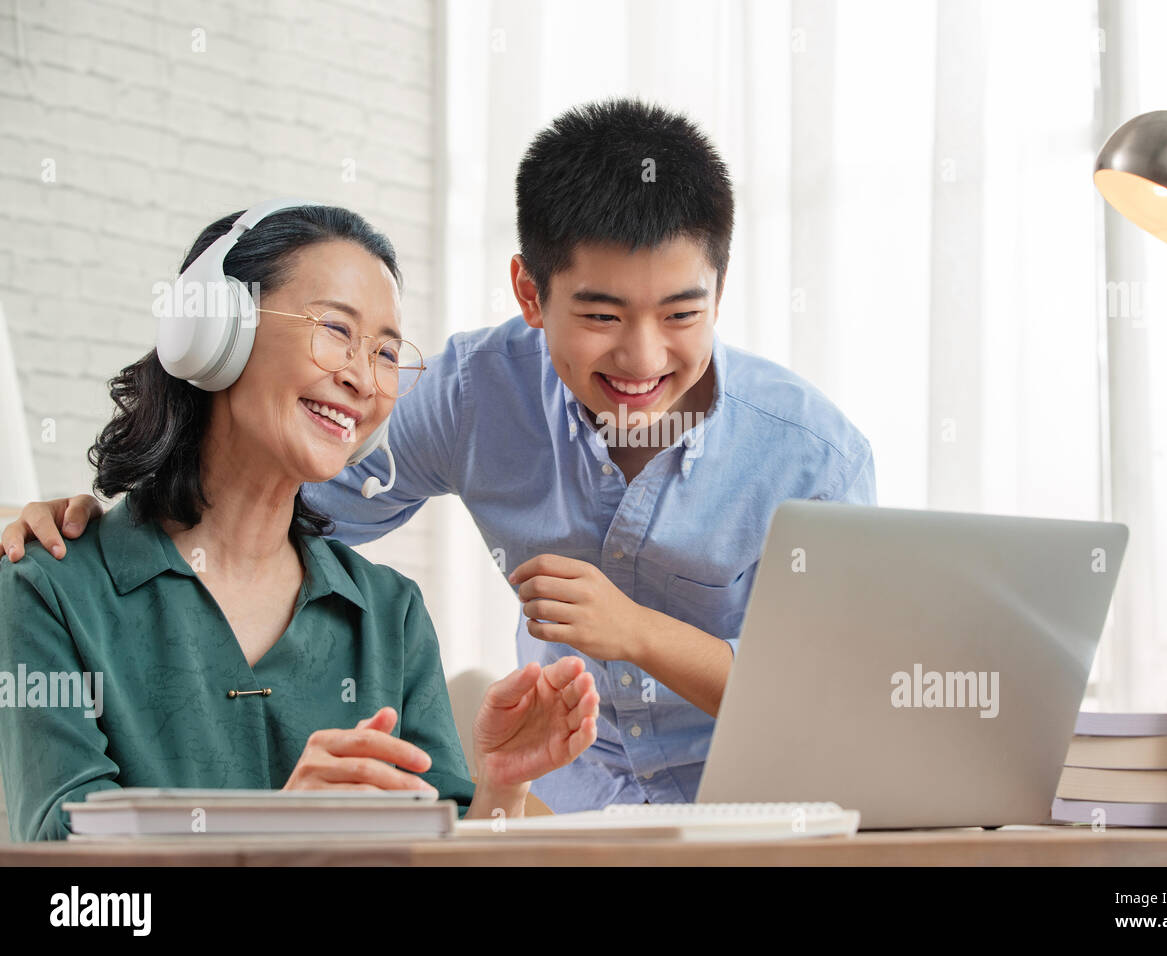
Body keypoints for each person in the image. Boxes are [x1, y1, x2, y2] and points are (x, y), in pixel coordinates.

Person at [3, 98, 874, 814]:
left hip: (759, 819)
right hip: (571, 822)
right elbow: (278, 498)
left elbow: (841, 708)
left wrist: (626, 648)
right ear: (530, 294)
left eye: (386, 351)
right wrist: (94, 517)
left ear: (720, 293)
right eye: (603, 316)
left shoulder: (387, 618)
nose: (642, 360)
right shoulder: (471, 395)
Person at [0, 204, 598, 841]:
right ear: (215, 330)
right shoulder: (50, 589)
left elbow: (437, 862)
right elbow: (69, 880)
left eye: (388, 353)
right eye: (337, 330)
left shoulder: (388, 612)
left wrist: (501, 789)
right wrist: (272, 831)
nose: (363, 378)